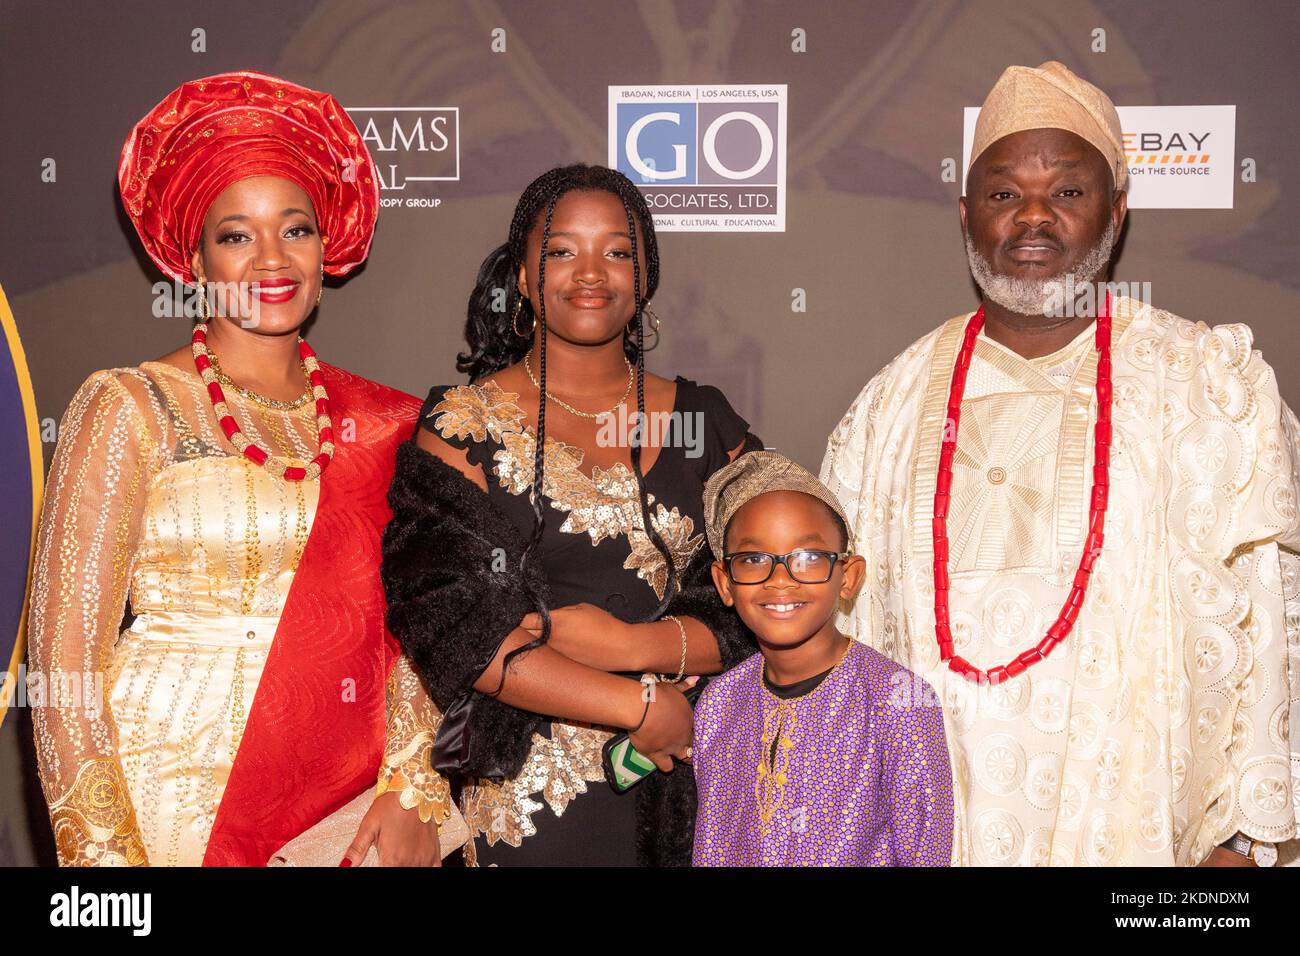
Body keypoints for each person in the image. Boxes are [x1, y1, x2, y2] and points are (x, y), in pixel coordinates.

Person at [820, 61, 1300, 867]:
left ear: (1117, 211)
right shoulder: (888, 406)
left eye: (1068, 191)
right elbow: (836, 638)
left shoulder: (1209, 385)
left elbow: (1278, 616)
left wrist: (1247, 841)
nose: (1033, 216)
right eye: (1005, 193)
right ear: (966, 214)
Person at [27, 71, 451, 867]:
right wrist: (107, 870)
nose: (271, 258)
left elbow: (417, 637)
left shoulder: (389, 425)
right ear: (193, 258)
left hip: (342, 806)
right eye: (236, 235)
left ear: (329, 246)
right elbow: (64, 670)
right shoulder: (130, 405)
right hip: (162, 798)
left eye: (295, 229)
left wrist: (412, 784)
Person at [382, 163, 762, 866]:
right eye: (561, 251)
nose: (591, 272)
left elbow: (768, 595)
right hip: (531, 802)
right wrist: (639, 707)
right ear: (523, 279)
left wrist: (629, 647)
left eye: (617, 251)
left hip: (696, 780)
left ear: (645, 276)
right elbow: (453, 627)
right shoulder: (463, 426)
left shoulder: (705, 422)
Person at [691, 452, 953, 866]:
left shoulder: (899, 700)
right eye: (754, 559)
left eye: (809, 558)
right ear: (725, 583)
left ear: (847, 577)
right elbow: (711, 848)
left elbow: (926, 852)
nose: (780, 579)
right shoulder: (720, 704)